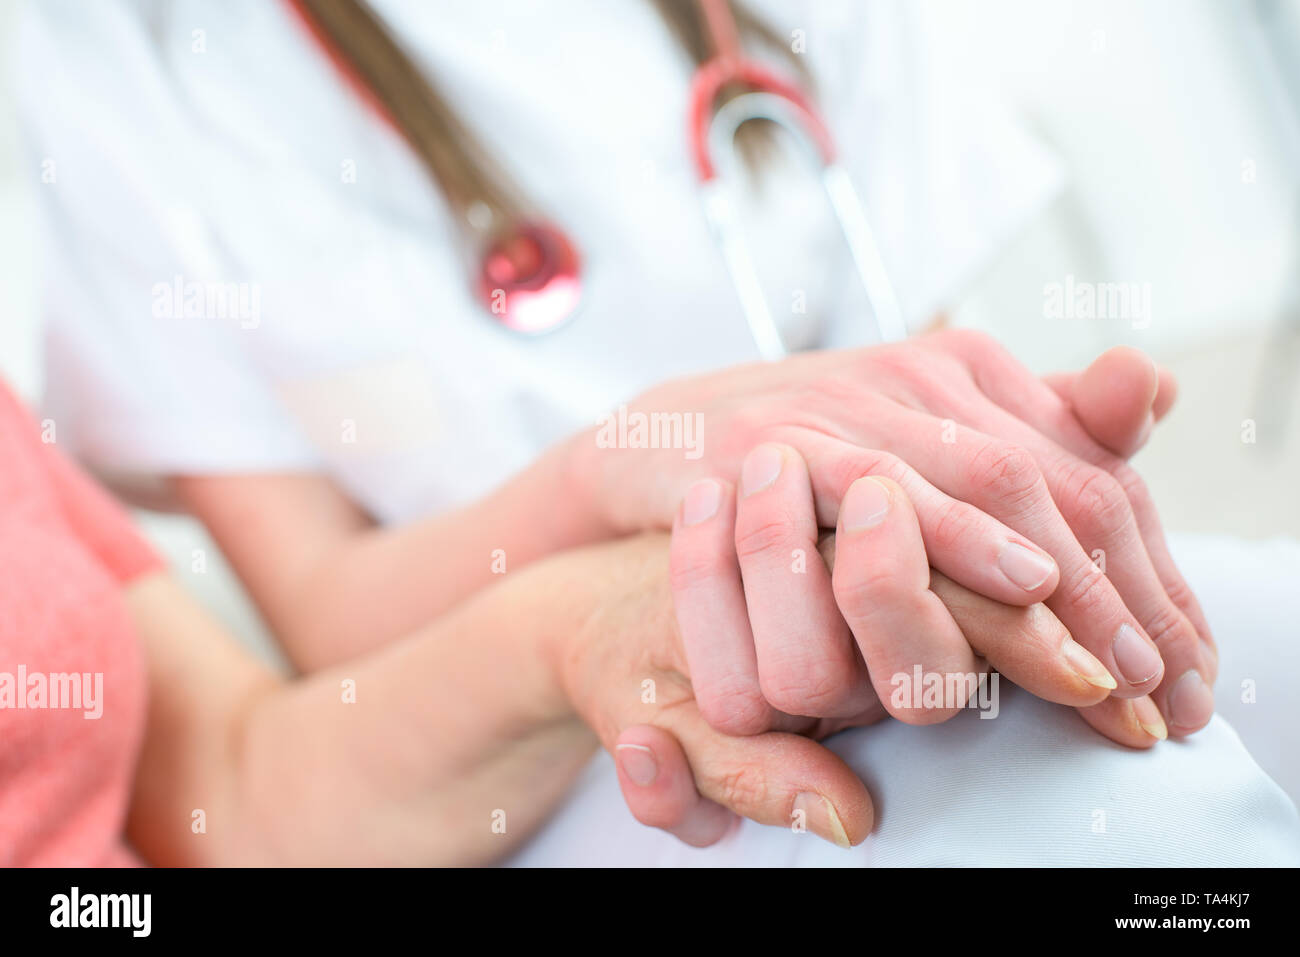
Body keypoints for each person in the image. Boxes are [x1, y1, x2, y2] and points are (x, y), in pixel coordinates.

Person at [13, 0, 1279, 861]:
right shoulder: (115, 64)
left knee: (1252, 648)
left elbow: (905, 373)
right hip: (547, 744)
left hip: (878, 606)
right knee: (1120, 806)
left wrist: (956, 481)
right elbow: (320, 633)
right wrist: (622, 489)